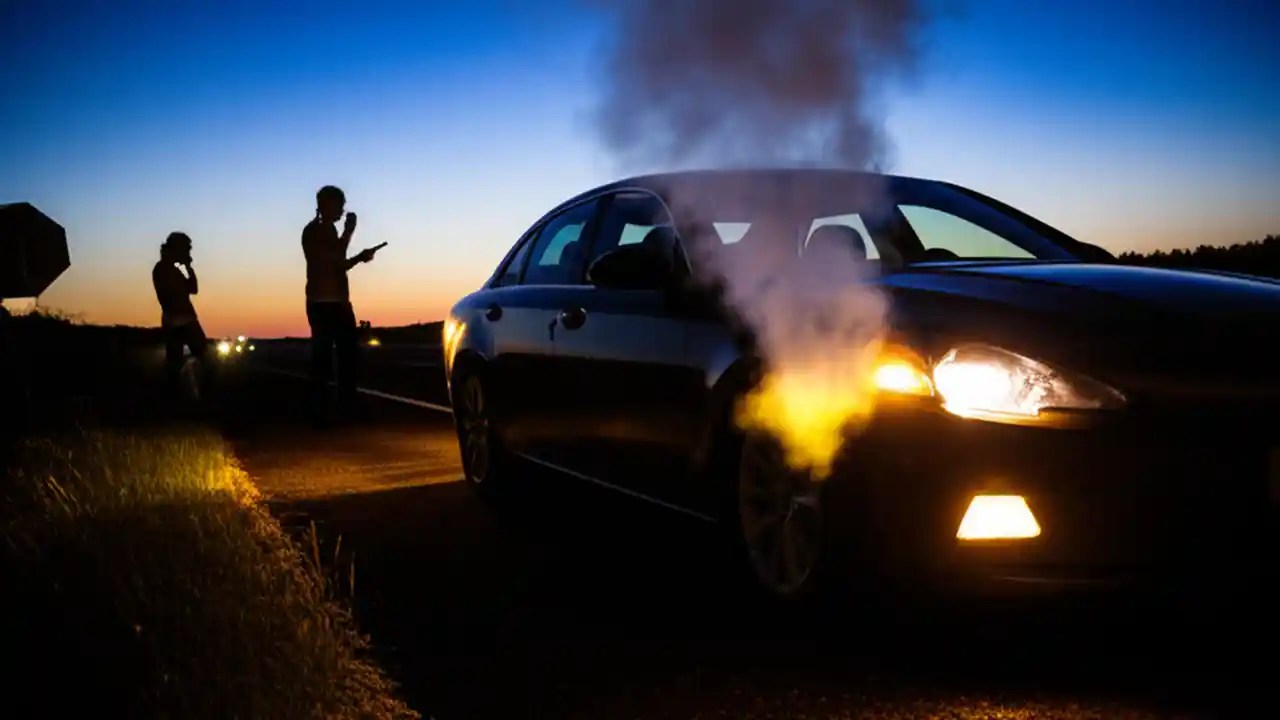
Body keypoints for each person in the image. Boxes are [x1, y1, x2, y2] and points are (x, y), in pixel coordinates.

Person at [302, 185, 382, 422]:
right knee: (326, 358)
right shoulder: (315, 231)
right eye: (339, 205)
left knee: (347, 356)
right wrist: (349, 232)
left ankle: (342, 406)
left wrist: (359, 257)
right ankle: (322, 409)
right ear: (326, 204)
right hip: (323, 302)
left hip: (337, 301)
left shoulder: (326, 230)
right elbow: (335, 260)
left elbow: (338, 263)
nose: (342, 210)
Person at [152, 232, 209, 396]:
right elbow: (177, 296)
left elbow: (193, 288)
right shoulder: (163, 269)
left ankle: (179, 396)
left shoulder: (169, 269)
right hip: (181, 320)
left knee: (176, 363)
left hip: (178, 320)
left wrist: (187, 268)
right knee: (195, 359)